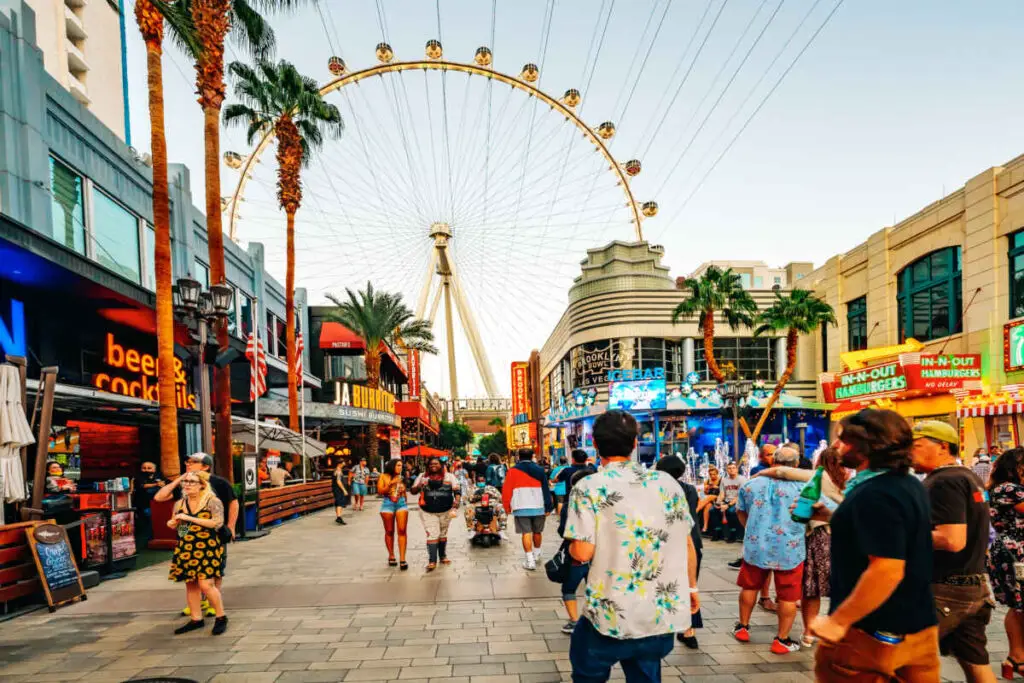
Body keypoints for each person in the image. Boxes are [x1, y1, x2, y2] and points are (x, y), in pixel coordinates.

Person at [564, 411, 699, 683]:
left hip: (610, 612)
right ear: (635, 443)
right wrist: (692, 587)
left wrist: (570, 550)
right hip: (657, 612)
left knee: (587, 668)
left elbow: (582, 552)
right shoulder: (667, 483)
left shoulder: (589, 486)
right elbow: (687, 542)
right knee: (646, 674)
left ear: (595, 444)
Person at [809, 409, 939, 681]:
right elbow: (893, 536)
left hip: (869, 634)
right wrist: (835, 517)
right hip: (918, 630)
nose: (835, 446)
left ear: (866, 446)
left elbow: (887, 569)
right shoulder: (908, 485)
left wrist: (838, 621)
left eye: (843, 440)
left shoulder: (874, 494)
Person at [908, 420, 995, 682]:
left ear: (943, 447)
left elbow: (951, 539)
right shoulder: (968, 477)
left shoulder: (945, 481)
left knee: (895, 658)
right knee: (975, 664)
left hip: (945, 592)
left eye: (916, 445)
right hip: (973, 588)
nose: (909, 452)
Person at [734, 445, 826, 655]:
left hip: (757, 546)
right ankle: (781, 639)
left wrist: (752, 529)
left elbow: (740, 512)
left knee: (749, 587)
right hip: (790, 548)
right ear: (795, 465)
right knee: (787, 597)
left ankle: (743, 627)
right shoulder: (805, 489)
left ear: (773, 461)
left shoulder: (751, 485)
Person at [754, 446, 847, 647]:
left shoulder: (818, 478)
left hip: (818, 537)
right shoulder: (850, 482)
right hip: (841, 538)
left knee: (811, 590)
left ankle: (808, 633)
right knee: (840, 586)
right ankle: (839, 631)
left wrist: (763, 472)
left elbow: (784, 471)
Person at [154, 453, 238, 619]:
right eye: (187, 462)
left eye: (193, 462)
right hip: (188, 538)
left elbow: (233, 503)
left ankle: (214, 605)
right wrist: (179, 479)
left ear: (206, 466)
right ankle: (197, 608)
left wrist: (231, 527)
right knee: (191, 576)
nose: (188, 464)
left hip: (212, 536)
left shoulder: (219, 483)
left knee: (214, 571)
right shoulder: (184, 485)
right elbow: (159, 497)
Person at [168, 471, 227, 635]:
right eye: (185, 482)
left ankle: (221, 616)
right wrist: (173, 523)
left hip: (208, 546)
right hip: (187, 547)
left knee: (205, 584)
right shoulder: (180, 503)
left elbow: (217, 523)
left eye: (192, 482)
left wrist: (190, 518)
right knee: (191, 583)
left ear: (202, 484)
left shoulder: (212, 501)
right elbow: (178, 527)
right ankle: (196, 619)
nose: (187, 484)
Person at [655, 456, 704, 650]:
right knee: (689, 587)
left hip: (666, 542)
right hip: (692, 540)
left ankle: (662, 626)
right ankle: (689, 631)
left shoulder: (656, 490)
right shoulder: (689, 489)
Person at [987, 448, 1024, 678]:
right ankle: (1017, 657)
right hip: (1014, 553)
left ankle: (1015, 657)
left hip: (1014, 551)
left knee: (1019, 605)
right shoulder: (1008, 489)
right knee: (1019, 603)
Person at [502, 447, 554, 570]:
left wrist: (507, 506)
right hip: (539, 505)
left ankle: (530, 561)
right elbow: (545, 489)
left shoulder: (512, 471)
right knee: (537, 531)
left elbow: (507, 490)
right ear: (532, 456)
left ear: (518, 457)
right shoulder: (540, 470)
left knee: (526, 532)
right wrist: (548, 507)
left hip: (521, 506)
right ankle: (536, 555)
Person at [558, 467, 595, 635]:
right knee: (594, 588)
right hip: (600, 554)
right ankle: (596, 620)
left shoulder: (571, 505)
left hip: (578, 554)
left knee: (569, 588)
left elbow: (564, 531)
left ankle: (574, 621)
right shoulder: (607, 503)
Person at [411, 457, 461, 571]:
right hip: (427, 511)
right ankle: (432, 560)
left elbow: (457, 490)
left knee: (443, 533)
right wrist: (420, 485)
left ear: (441, 465)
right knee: (433, 534)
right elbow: (413, 491)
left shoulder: (449, 476)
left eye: (436, 463)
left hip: (446, 510)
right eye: (431, 463)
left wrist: (457, 501)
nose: (433, 465)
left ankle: (442, 556)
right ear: (428, 466)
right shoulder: (422, 476)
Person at [377, 458, 409, 570]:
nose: (400, 467)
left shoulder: (402, 477)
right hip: (387, 504)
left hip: (401, 503)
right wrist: (391, 484)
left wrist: (403, 491)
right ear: (392, 466)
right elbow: (380, 491)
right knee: (389, 531)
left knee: (402, 530)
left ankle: (403, 559)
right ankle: (391, 555)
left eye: (401, 466)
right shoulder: (383, 476)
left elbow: (404, 492)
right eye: (398, 465)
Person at [135, 461, 166, 542]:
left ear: (154, 469)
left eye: (149, 468)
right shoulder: (138, 476)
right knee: (148, 519)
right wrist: (156, 484)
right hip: (143, 503)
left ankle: (155, 538)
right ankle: (149, 540)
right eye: (144, 468)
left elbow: (164, 483)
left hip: (157, 503)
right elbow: (142, 485)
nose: (146, 470)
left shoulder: (159, 475)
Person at [715, 461, 745, 543]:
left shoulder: (742, 479)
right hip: (727, 501)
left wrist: (728, 505)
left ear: (737, 469)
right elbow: (722, 494)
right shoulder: (724, 480)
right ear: (727, 470)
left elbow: (739, 496)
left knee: (731, 511)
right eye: (729, 468)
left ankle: (733, 533)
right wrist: (719, 503)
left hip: (738, 501)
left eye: (733, 468)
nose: (731, 470)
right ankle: (718, 532)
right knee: (713, 510)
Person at [696, 465, 721, 535]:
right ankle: (705, 527)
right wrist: (706, 489)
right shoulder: (707, 481)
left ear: (717, 474)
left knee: (710, 497)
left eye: (714, 474)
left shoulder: (721, 480)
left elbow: (723, 491)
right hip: (709, 500)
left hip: (718, 498)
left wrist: (716, 487)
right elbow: (704, 493)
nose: (712, 476)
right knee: (707, 506)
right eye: (710, 475)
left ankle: (695, 511)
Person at [331, 461, 349, 525]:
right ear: (339, 464)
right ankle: (339, 517)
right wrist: (344, 490)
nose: (344, 465)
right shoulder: (338, 471)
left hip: (336, 489)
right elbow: (338, 481)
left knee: (337, 502)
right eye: (343, 463)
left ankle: (338, 516)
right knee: (340, 503)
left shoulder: (337, 470)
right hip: (338, 489)